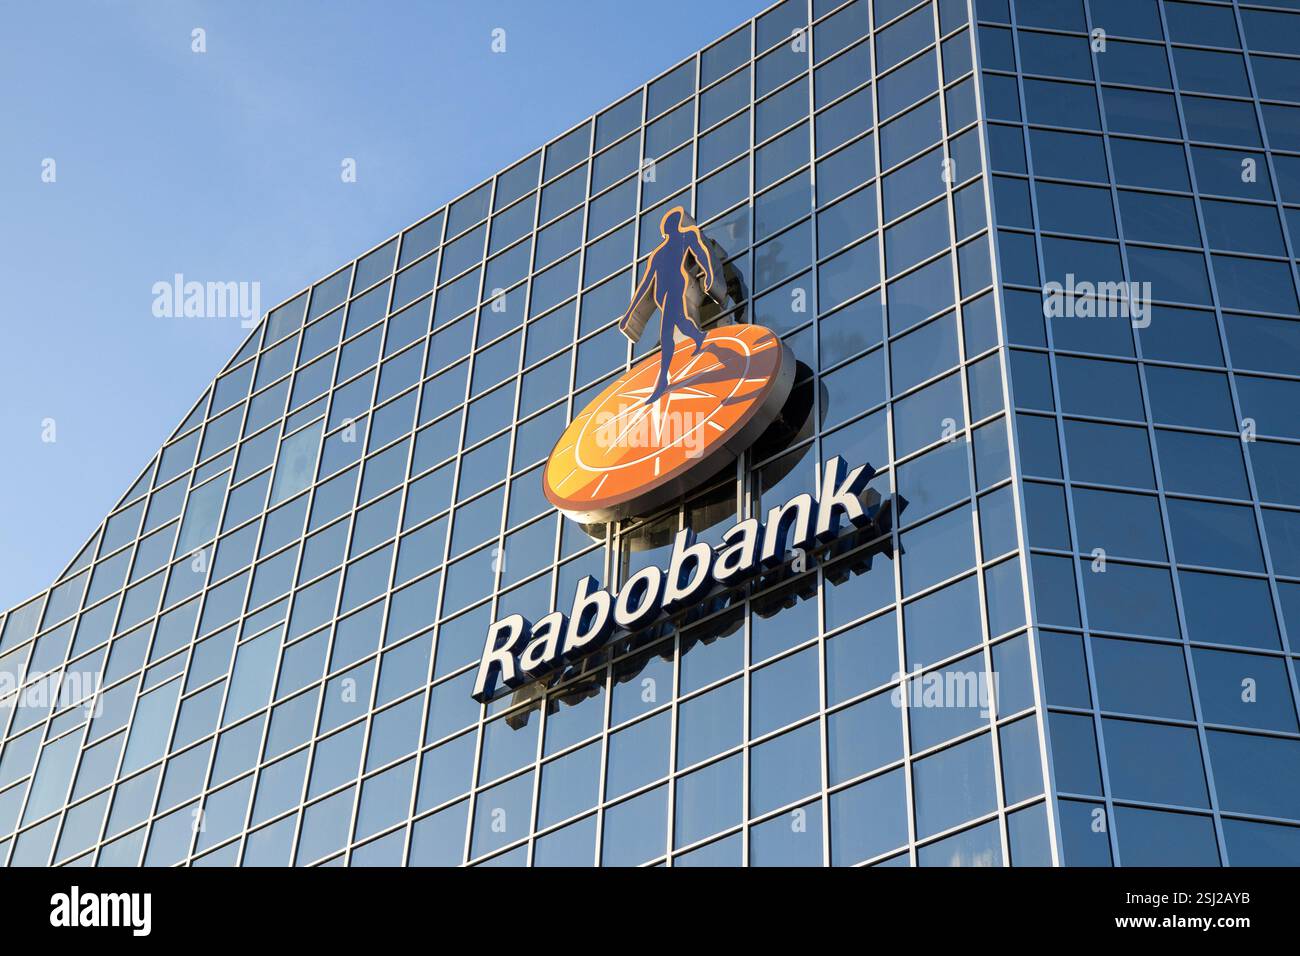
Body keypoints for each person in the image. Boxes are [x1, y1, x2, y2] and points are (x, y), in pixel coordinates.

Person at [619, 206, 719, 403]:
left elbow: (701, 253)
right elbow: (646, 283)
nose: (669, 227)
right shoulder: (659, 253)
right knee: (682, 324)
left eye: (672, 223)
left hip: (675, 291)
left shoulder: (687, 236)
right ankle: (699, 337)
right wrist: (629, 313)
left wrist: (710, 274)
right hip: (663, 296)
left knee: (666, 335)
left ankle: (662, 380)